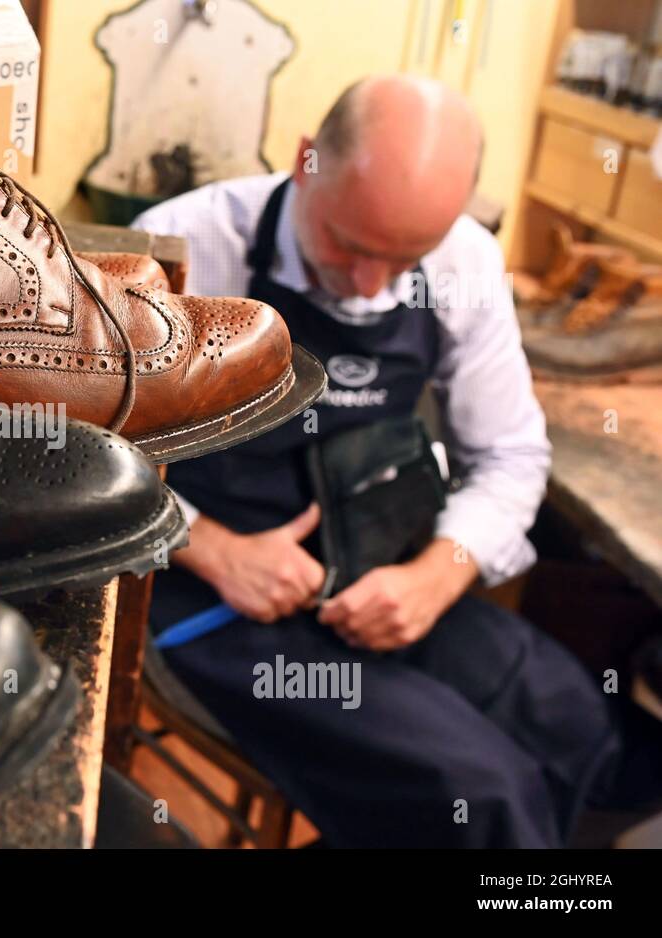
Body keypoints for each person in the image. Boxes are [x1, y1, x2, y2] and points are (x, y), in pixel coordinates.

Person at [132, 75, 621, 847]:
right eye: (350, 246)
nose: (368, 288)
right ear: (307, 163)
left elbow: (510, 454)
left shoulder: (462, 261)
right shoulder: (183, 250)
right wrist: (215, 550)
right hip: (213, 595)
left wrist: (440, 571)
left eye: (404, 260)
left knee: (576, 720)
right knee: (483, 795)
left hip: (383, 574)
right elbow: (85, 458)